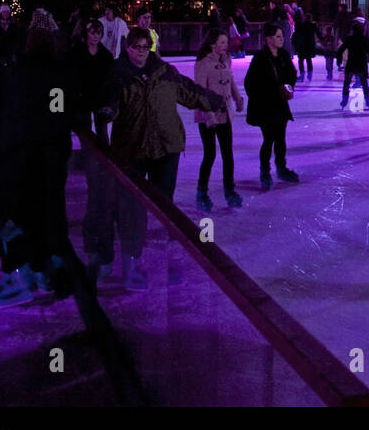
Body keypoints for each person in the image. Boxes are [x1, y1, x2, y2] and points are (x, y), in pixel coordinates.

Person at [99, 28, 224, 290]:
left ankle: (170, 258)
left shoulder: (165, 72)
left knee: (165, 206)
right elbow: (109, 100)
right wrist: (107, 110)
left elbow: (189, 92)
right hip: (132, 149)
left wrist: (213, 100)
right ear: (128, 47)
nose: (141, 52)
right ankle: (131, 262)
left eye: (146, 47)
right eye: (136, 47)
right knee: (132, 208)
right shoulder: (117, 74)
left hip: (167, 148)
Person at [0, 22, 79, 306]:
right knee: (48, 214)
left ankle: (18, 276)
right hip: (50, 160)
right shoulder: (62, 75)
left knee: (11, 216)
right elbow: (69, 112)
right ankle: (47, 269)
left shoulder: (12, 74)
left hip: (14, 159)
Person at [67, 18, 120, 284]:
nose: (96, 35)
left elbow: (111, 81)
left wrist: (107, 103)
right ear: (85, 33)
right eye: (92, 31)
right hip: (80, 105)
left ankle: (101, 160)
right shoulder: (76, 54)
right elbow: (69, 78)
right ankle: (84, 157)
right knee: (82, 134)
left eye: (99, 31)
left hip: (97, 106)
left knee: (99, 137)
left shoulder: (105, 56)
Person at [193, 29, 245, 211]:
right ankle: (201, 192)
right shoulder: (203, 64)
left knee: (228, 155)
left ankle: (230, 191)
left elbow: (230, 82)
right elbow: (199, 92)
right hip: (208, 117)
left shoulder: (226, 61)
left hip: (225, 115)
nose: (225, 46)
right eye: (221, 43)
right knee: (210, 154)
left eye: (225, 42)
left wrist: (238, 99)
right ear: (212, 44)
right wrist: (209, 115)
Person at [243, 21, 299, 187]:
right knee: (269, 139)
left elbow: (292, 75)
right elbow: (249, 83)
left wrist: (288, 86)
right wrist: (261, 97)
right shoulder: (260, 58)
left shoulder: (283, 55)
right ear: (269, 39)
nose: (282, 39)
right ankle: (265, 171)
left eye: (282, 36)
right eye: (278, 36)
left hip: (280, 104)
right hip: (265, 106)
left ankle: (281, 168)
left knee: (280, 138)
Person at [337, 18, 369, 111]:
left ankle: (344, 99)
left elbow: (341, 49)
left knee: (347, 82)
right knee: (364, 83)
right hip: (361, 63)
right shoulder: (364, 39)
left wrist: (339, 60)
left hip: (351, 62)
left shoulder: (350, 39)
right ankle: (368, 100)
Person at [291, 12, 322, 82]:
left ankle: (302, 76)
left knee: (301, 60)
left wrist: (293, 42)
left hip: (302, 45)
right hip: (310, 45)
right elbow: (318, 34)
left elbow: (296, 34)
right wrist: (323, 40)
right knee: (309, 60)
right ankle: (310, 75)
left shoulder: (301, 25)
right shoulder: (313, 25)